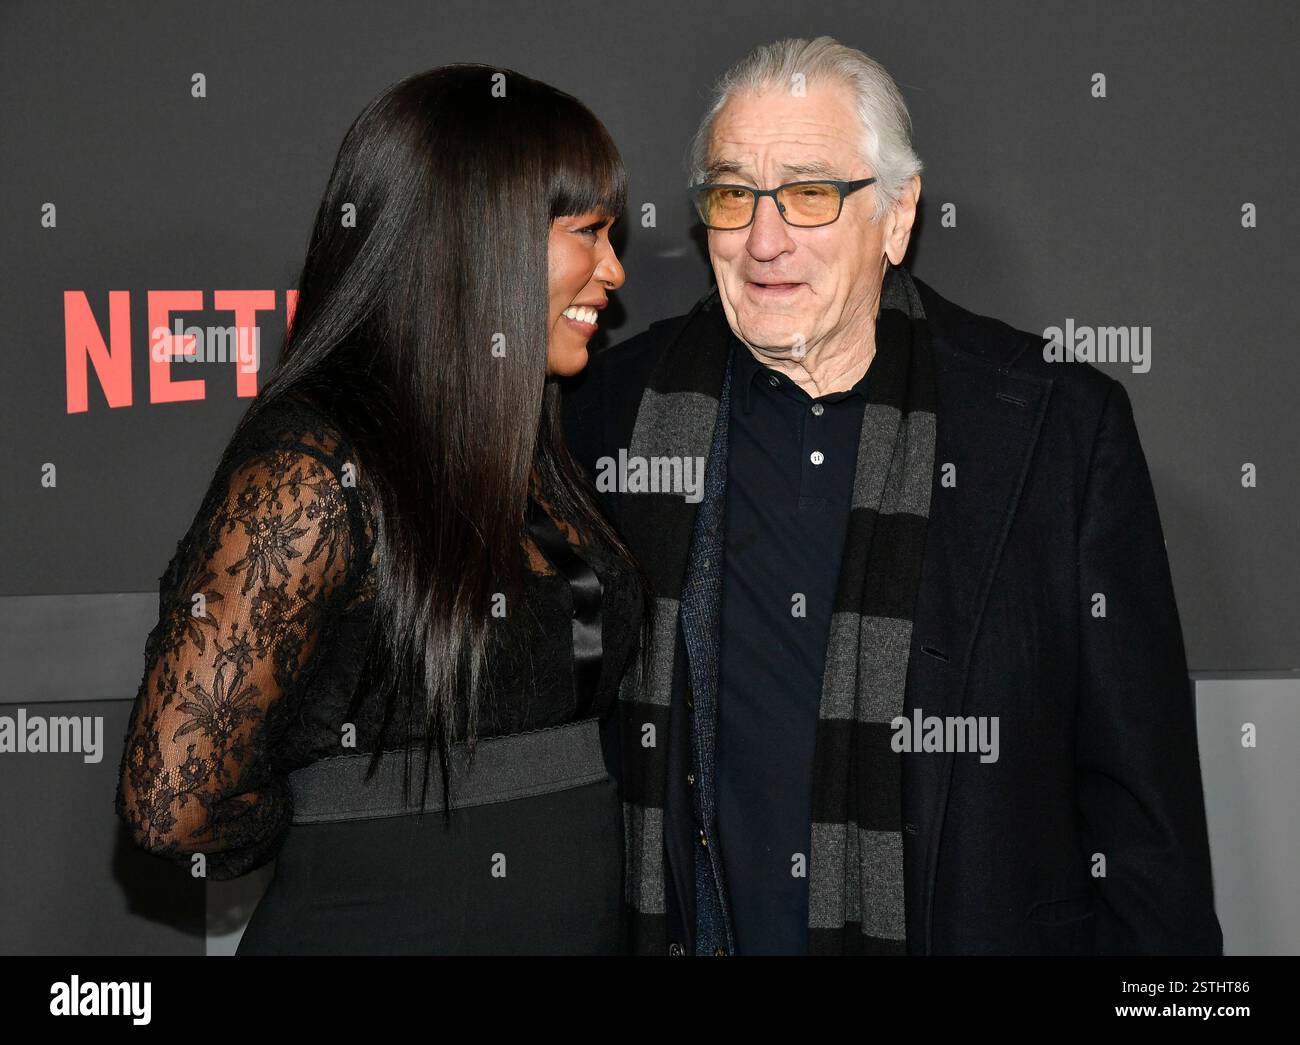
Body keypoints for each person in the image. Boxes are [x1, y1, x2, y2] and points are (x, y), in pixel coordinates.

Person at [563, 35, 1222, 956]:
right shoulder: (611, 412)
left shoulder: (1053, 423)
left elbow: (1145, 813)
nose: (763, 239)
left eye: (808, 193)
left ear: (899, 213)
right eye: (732, 194)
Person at [114, 63, 647, 955]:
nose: (614, 268)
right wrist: (347, 826)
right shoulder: (311, 466)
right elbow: (173, 800)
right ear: (475, 239)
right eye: (586, 232)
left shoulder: (531, 454)